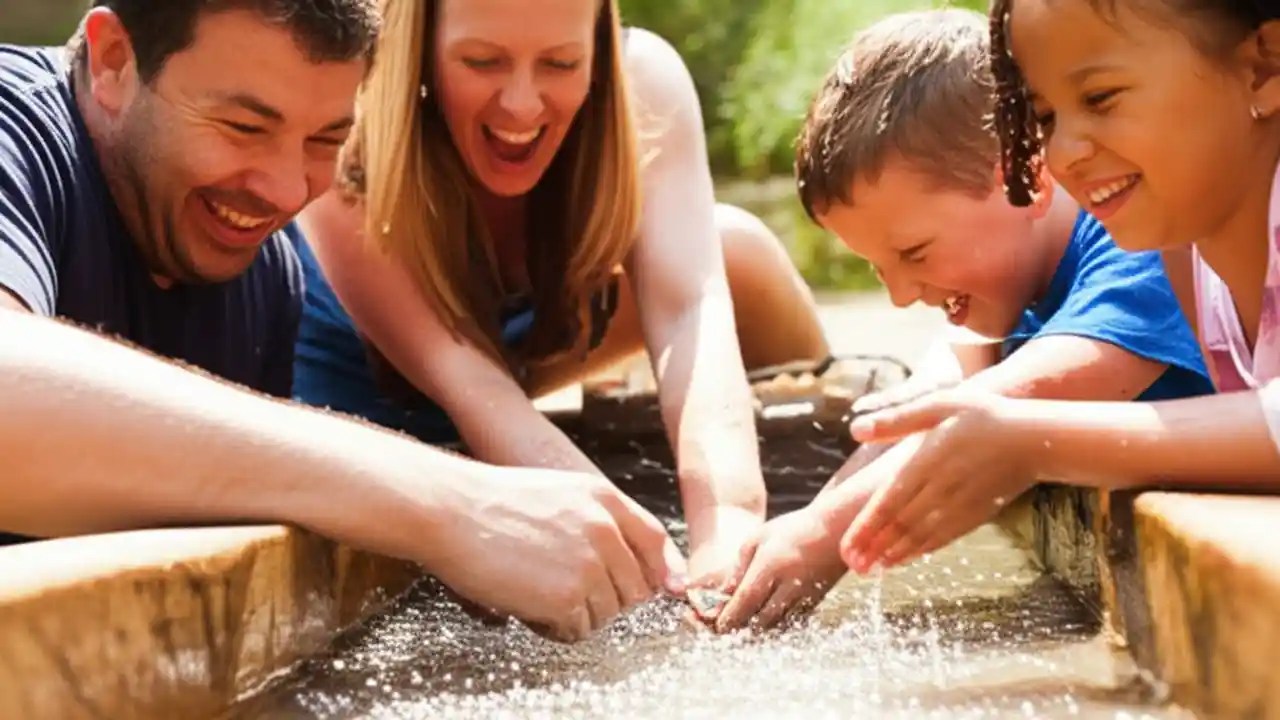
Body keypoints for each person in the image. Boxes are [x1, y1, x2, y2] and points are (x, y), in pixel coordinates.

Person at [0, 0, 685, 643]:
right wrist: (452, 508)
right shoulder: (15, 127)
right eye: (244, 127)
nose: (285, 190)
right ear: (116, 58)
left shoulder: (268, 272)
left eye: (327, 139)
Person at [291, 0, 831, 588]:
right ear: (420, 50)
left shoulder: (643, 78)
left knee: (740, 248)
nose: (522, 103)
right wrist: (643, 563)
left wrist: (728, 522)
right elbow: (468, 384)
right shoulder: (351, 109)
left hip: (523, 342)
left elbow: (688, 311)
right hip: (375, 381)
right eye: (482, 61)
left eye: (560, 63)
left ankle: (827, 442)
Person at [711, 9, 1215, 631]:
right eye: (877, 269)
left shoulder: (1140, 247)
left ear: (1024, 181)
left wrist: (823, 534)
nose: (899, 296)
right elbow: (936, 397)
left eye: (915, 254)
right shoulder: (1015, 289)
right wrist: (808, 522)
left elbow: (979, 418)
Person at [838, 0, 1280, 578]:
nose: (1062, 153)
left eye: (1100, 99)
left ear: (1264, 68)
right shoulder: (1180, 245)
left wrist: (1034, 442)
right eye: (1045, 118)